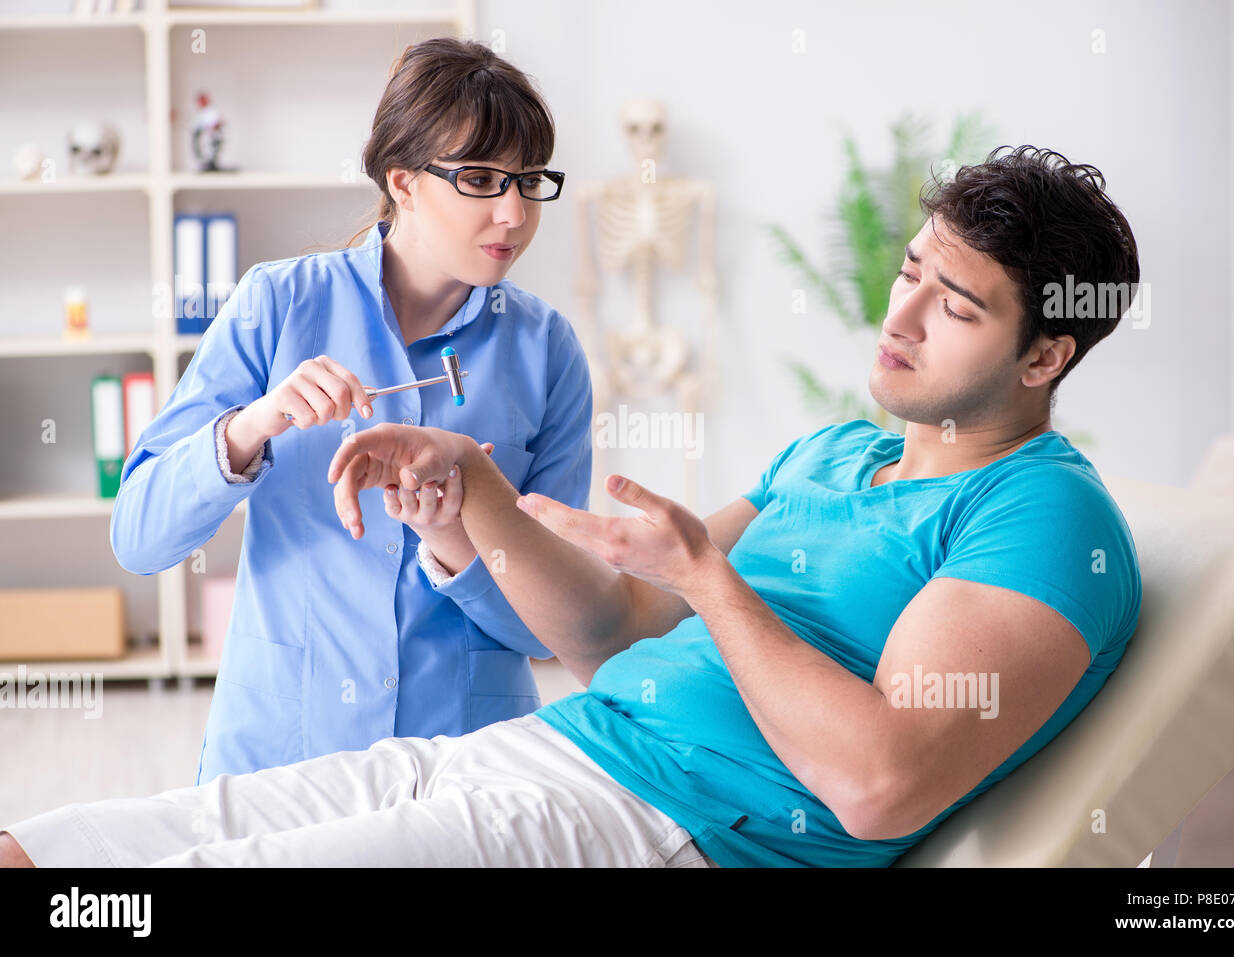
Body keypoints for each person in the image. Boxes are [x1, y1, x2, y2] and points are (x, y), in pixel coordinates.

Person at [2, 145, 1142, 868]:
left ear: (1045, 355)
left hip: (665, 825)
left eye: (954, 305)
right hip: (550, 750)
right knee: (131, 838)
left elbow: (880, 785)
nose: (898, 317)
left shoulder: (1041, 518)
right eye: (907, 273)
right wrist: (475, 494)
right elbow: (611, 633)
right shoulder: (835, 453)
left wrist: (709, 580)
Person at [107, 37, 593, 785]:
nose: (515, 212)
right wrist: (250, 428)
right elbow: (140, 538)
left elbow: (557, 626)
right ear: (403, 181)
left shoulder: (548, 350)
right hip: (280, 757)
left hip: (460, 772)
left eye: (529, 181)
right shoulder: (277, 303)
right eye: (482, 179)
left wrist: (453, 539)